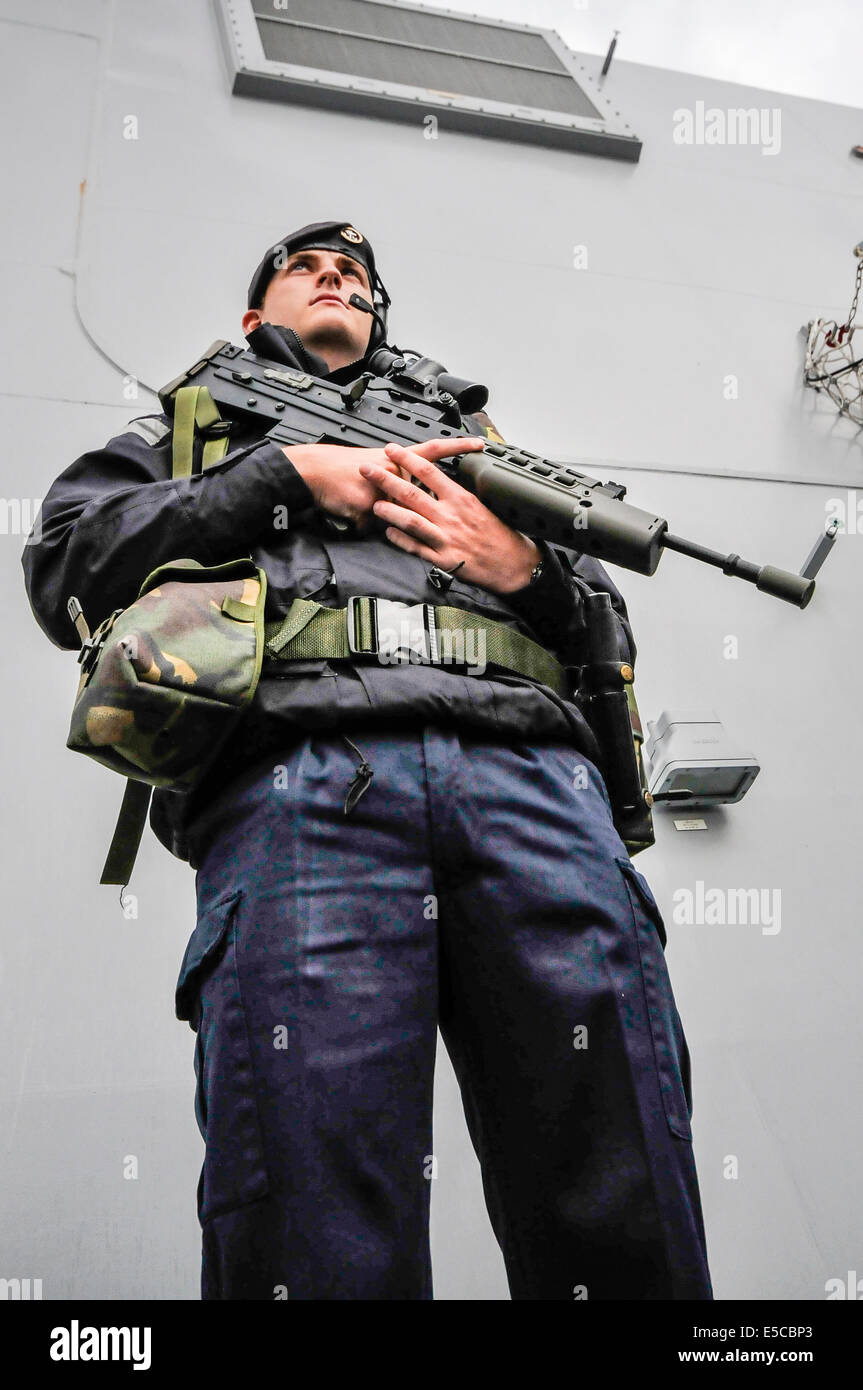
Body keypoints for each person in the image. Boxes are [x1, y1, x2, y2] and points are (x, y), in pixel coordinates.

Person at [22, 220, 713, 1301]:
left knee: (619, 1163)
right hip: (301, 784)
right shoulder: (190, 423)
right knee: (311, 1197)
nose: (334, 274)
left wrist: (524, 572)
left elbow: (598, 621)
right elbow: (66, 559)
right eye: (304, 267)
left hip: (531, 781)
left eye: (355, 273)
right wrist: (280, 477)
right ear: (257, 317)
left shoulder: (475, 436)